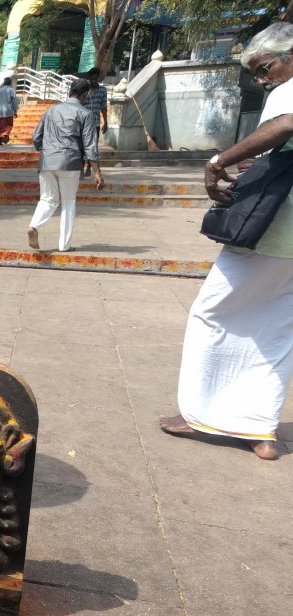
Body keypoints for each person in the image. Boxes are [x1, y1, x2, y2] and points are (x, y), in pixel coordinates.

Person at [159, 21, 293, 461]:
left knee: (211, 314)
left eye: (264, 68)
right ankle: (261, 431)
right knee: (277, 326)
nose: (262, 80)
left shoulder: (288, 90)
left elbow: (286, 123)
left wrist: (218, 161)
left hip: (274, 228)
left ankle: (200, 416)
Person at [26, 79, 105, 252]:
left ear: (70, 92)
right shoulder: (85, 114)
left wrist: (47, 150)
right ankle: (64, 245)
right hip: (70, 162)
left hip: (48, 161)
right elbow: (90, 146)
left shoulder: (50, 110)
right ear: (84, 95)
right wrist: (97, 172)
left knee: (47, 199)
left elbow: (36, 137)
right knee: (68, 202)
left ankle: (34, 226)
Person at [83, 67, 109, 177]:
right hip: (83, 123)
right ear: (88, 79)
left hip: (96, 123)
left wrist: (106, 122)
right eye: (91, 79)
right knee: (82, 146)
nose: (93, 81)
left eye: (95, 79)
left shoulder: (102, 90)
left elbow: (103, 107)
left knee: (94, 146)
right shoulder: (84, 90)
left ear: (98, 78)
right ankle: (82, 167)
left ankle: (91, 167)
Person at [0, 77, 18, 145]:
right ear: (10, 83)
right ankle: (4, 136)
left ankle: (1, 140)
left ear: (4, 83)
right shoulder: (12, 90)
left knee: (1, 127)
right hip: (9, 112)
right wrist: (15, 111)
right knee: (9, 125)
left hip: (0, 112)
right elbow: (14, 101)